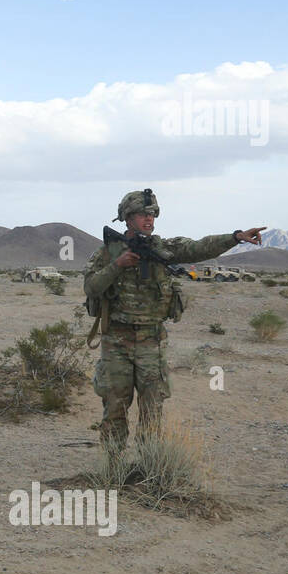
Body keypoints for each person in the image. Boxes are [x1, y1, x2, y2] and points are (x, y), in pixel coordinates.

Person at [82, 188, 265, 453]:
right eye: (142, 214)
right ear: (127, 217)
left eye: (152, 214)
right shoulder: (107, 253)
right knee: (114, 406)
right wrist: (117, 265)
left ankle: (150, 465)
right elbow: (90, 288)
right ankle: (112, 466)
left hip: (152, 341)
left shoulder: (163, 248)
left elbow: (199, 247)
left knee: (153, 406)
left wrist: (235, 237)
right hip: (116, 342)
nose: (149, 219)